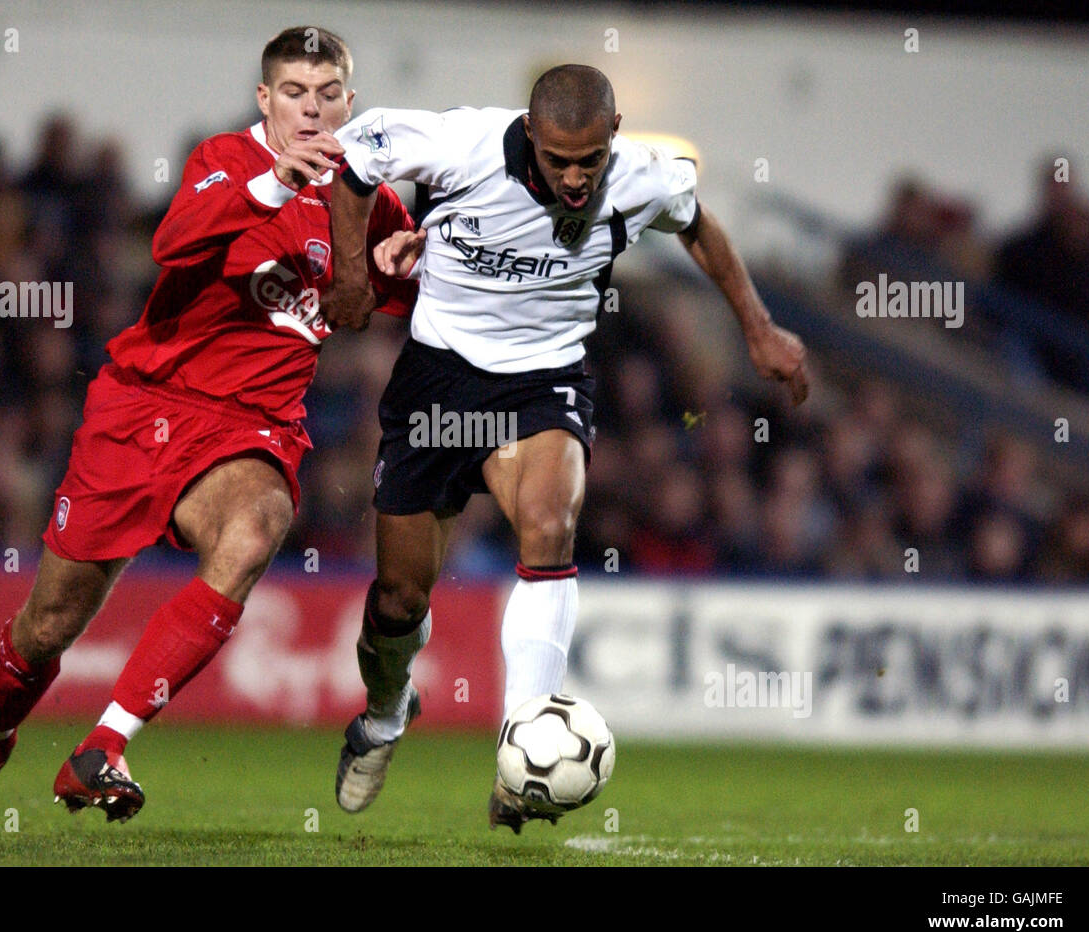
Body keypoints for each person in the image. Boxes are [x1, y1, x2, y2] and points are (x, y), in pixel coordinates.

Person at [0, 25, 418, 834]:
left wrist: (406, 268)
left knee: (258, 524)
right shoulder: (223, 161)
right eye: (294, 94)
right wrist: (270, 185)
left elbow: (367, 297)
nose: (311, 109)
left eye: (327, 94)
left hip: (251, 427)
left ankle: (104, 746)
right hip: (144, 409)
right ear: (265, 99)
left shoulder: (366, 194)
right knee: (50, 623)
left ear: (349, 99)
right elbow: (171, 242)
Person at [324, 64, 809, 832]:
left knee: (550, 527)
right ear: (531, 133)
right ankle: (384, 715)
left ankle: (522, 753)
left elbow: (699, 225)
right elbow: (353, 159)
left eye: (590, 159)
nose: (576, 177)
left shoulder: (642, 177)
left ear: (615, 134)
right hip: (437, 382)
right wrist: (349, 269)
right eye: (559, 161)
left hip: (544, 382)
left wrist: (758, 327)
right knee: (398, 599)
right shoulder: (463, 143)